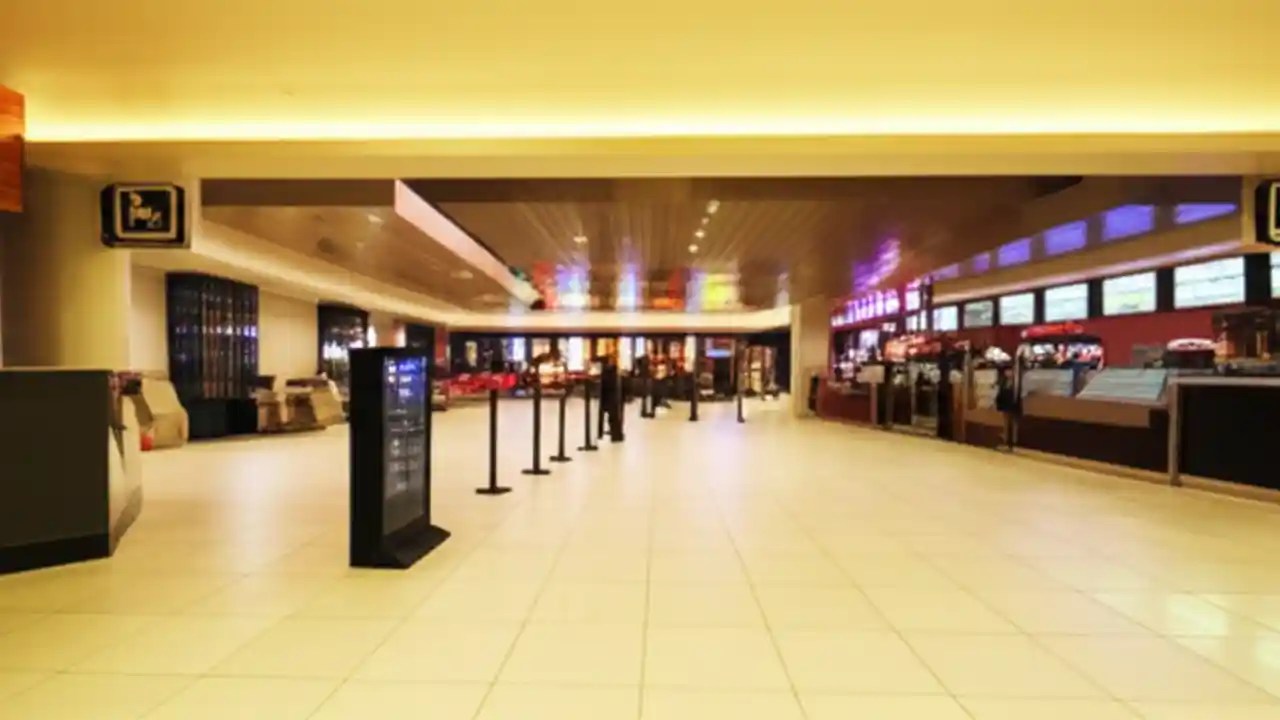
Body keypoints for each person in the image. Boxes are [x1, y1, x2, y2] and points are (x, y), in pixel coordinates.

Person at [600, 355, 624, 442]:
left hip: (610, 396)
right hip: (612, 396)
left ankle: (615, 434)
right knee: (614, 414)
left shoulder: (609, 371)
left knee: (613, 415)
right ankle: (616, 434)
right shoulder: (612, 371)